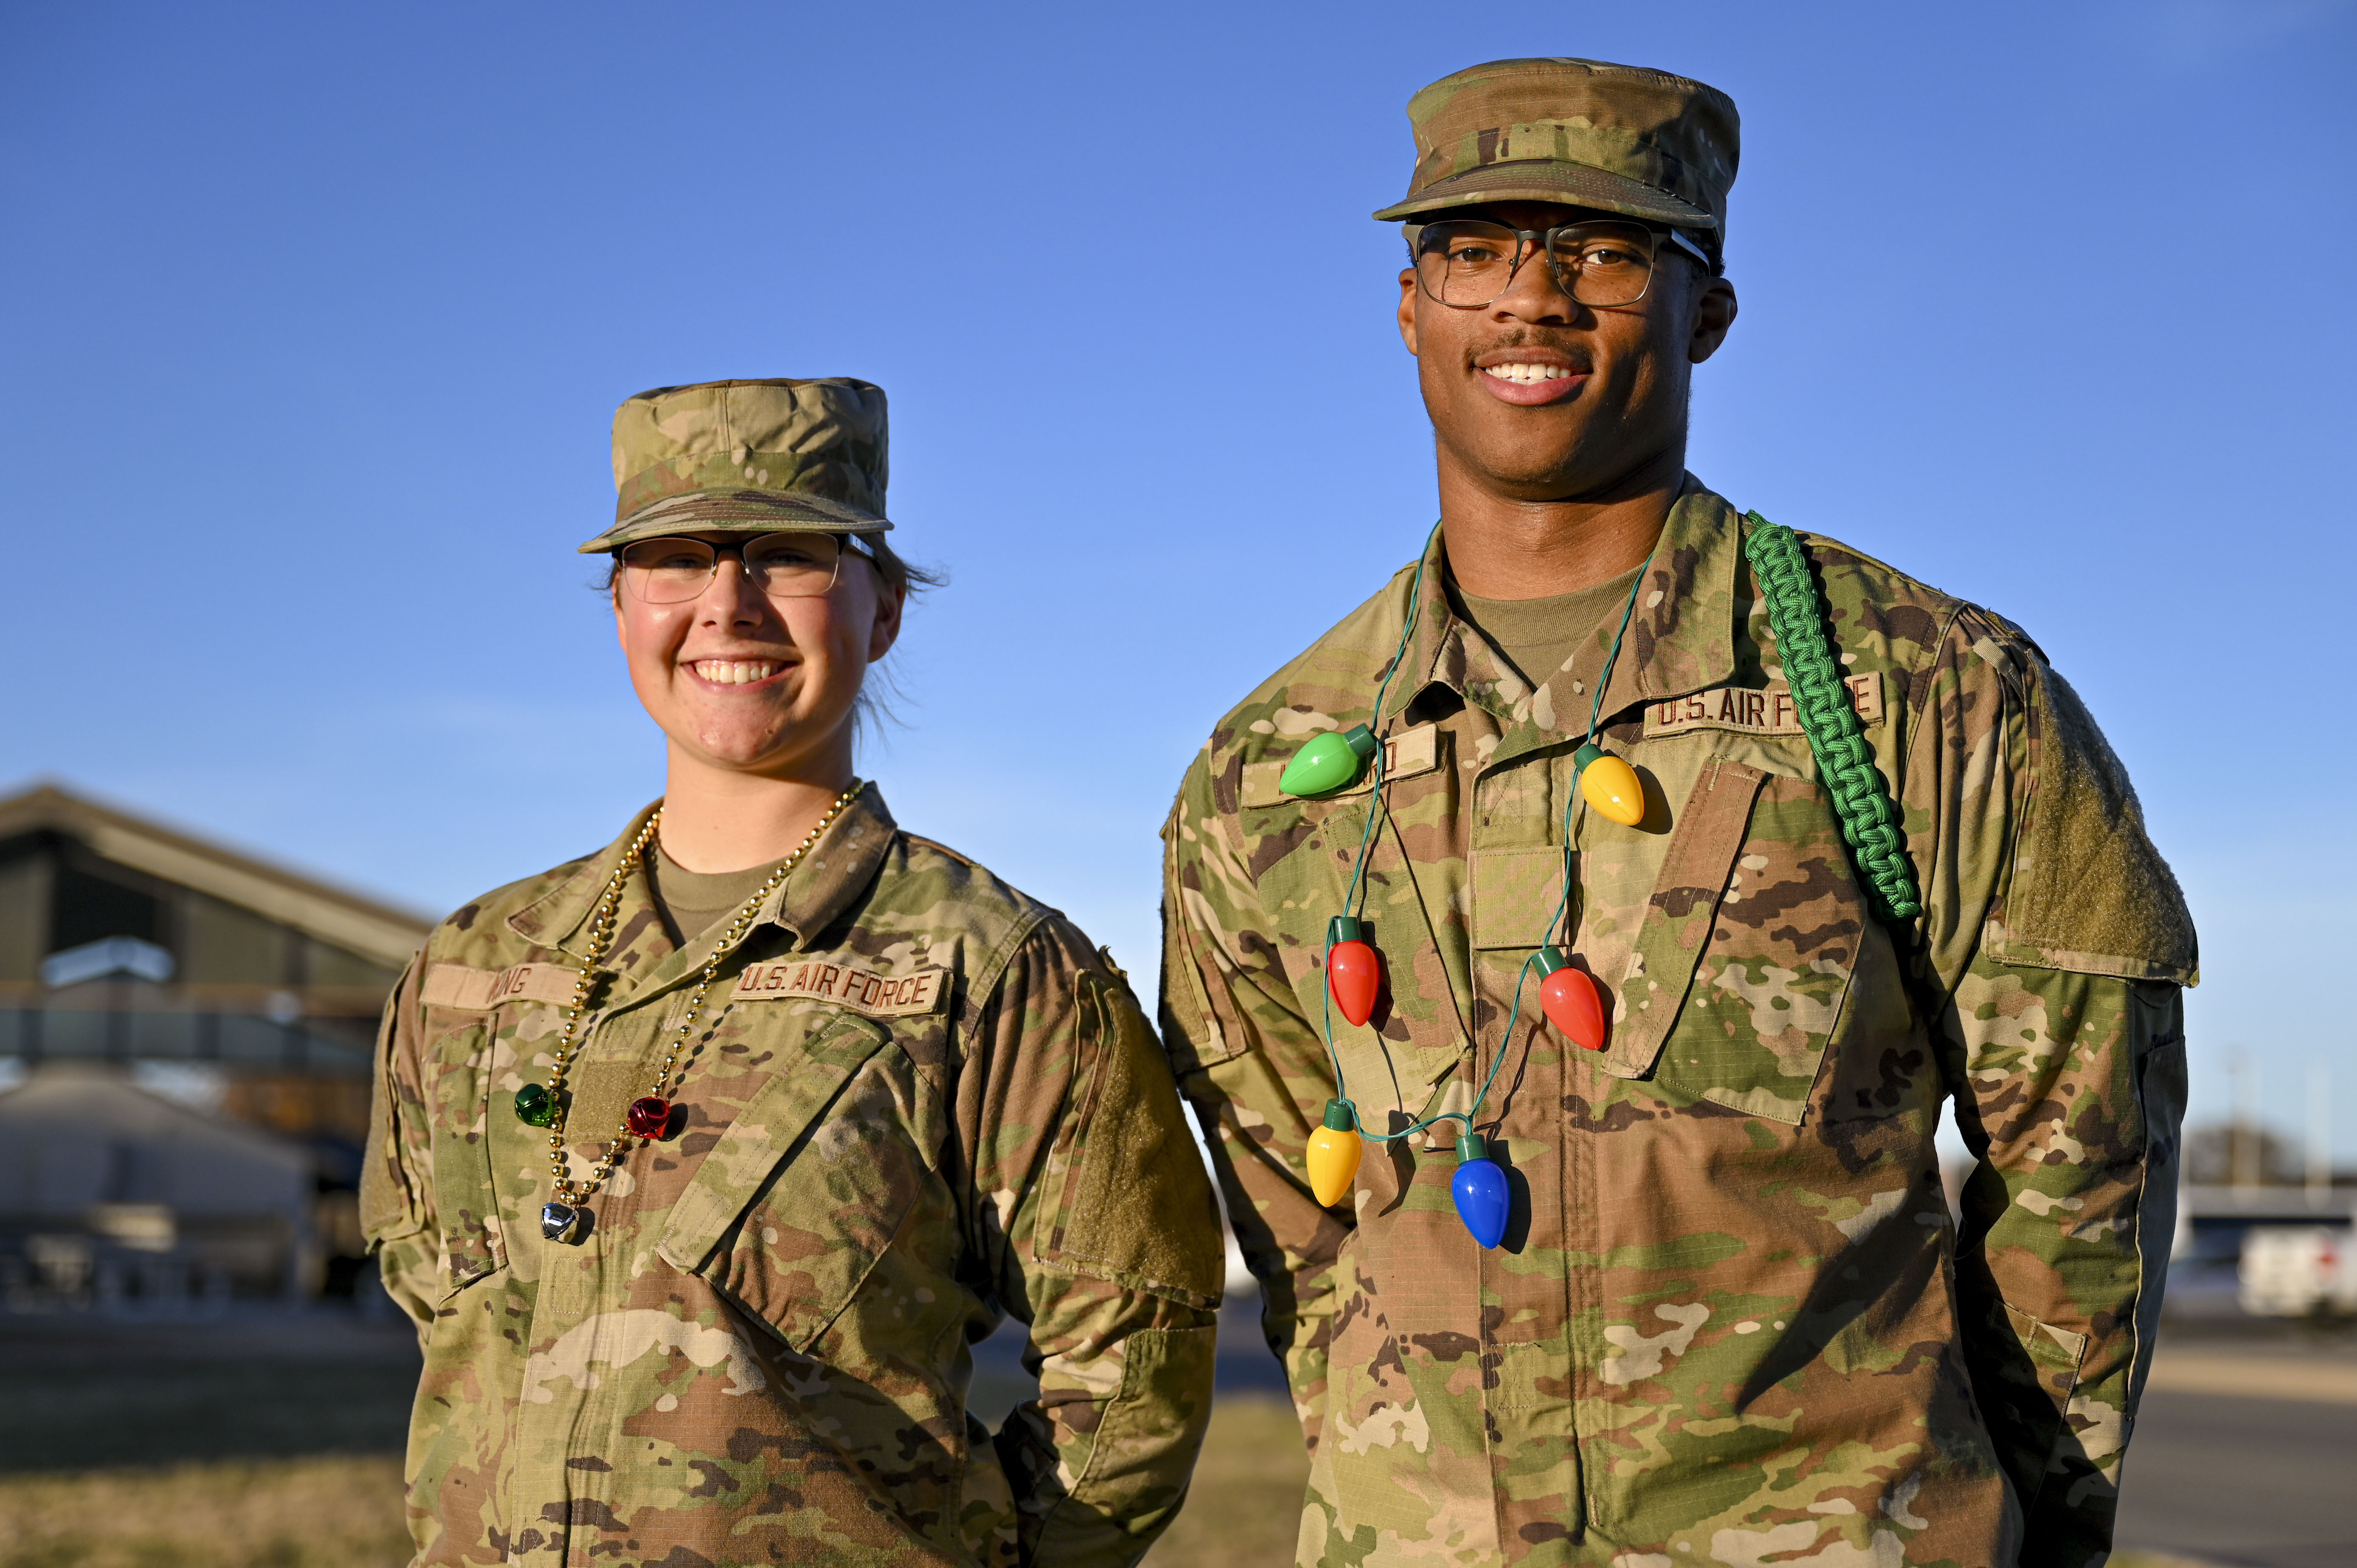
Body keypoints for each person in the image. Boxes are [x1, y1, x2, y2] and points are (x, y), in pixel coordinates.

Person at [1157, 58, 2192, 1568]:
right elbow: (1298, 1235)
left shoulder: (1930, 692)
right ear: (1408, 306)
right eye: (1477, 248)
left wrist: (2030, 1532)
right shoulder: (1266, 775)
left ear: (1707, 311)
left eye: (1607, 252)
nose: (1532, 299)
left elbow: (2085, 1170)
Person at [363, 377, 1224, 1567]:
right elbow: (444, 1328)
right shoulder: (471, 973)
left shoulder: (1000, 978)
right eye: (673, 559)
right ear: (619, 607)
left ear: (884, 611)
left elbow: (1136, 1371)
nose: (728, 605)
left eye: (789, 556)